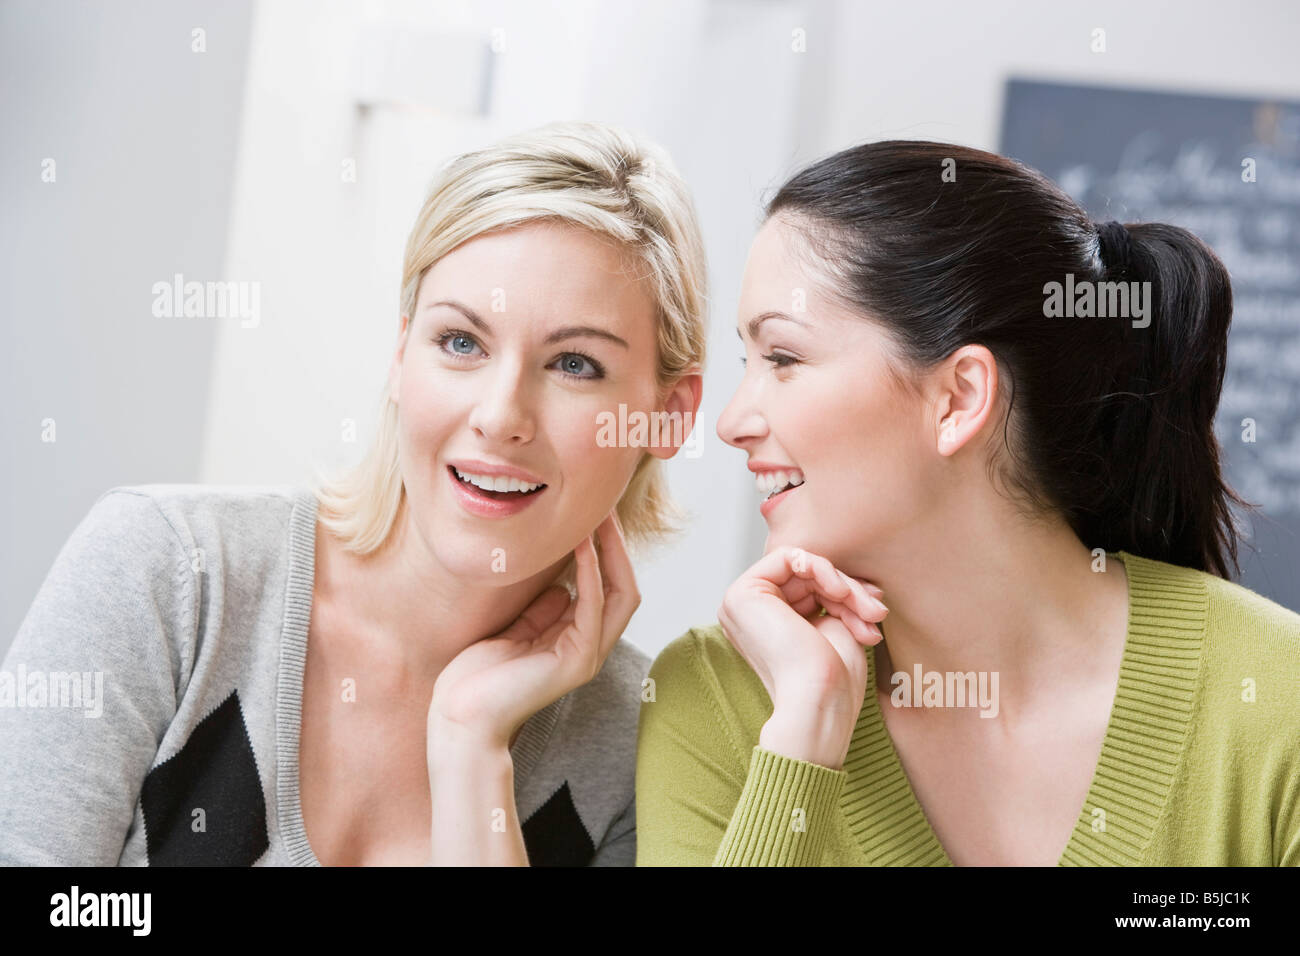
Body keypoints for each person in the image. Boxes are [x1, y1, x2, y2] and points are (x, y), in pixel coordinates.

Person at [0, 121, 706, 866]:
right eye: (461, 343)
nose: (500, 417)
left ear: (667, 417)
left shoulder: (636, 746)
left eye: (573, 363)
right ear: (402, 355)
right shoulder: (170, 574)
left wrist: (473, 749)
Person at [636, 140, 1300, 866]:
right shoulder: (715, 703)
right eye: (748, 362)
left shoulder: (1275, 698)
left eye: (784, 359)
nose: (732, 422)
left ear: (958, 399)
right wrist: (801, 743)